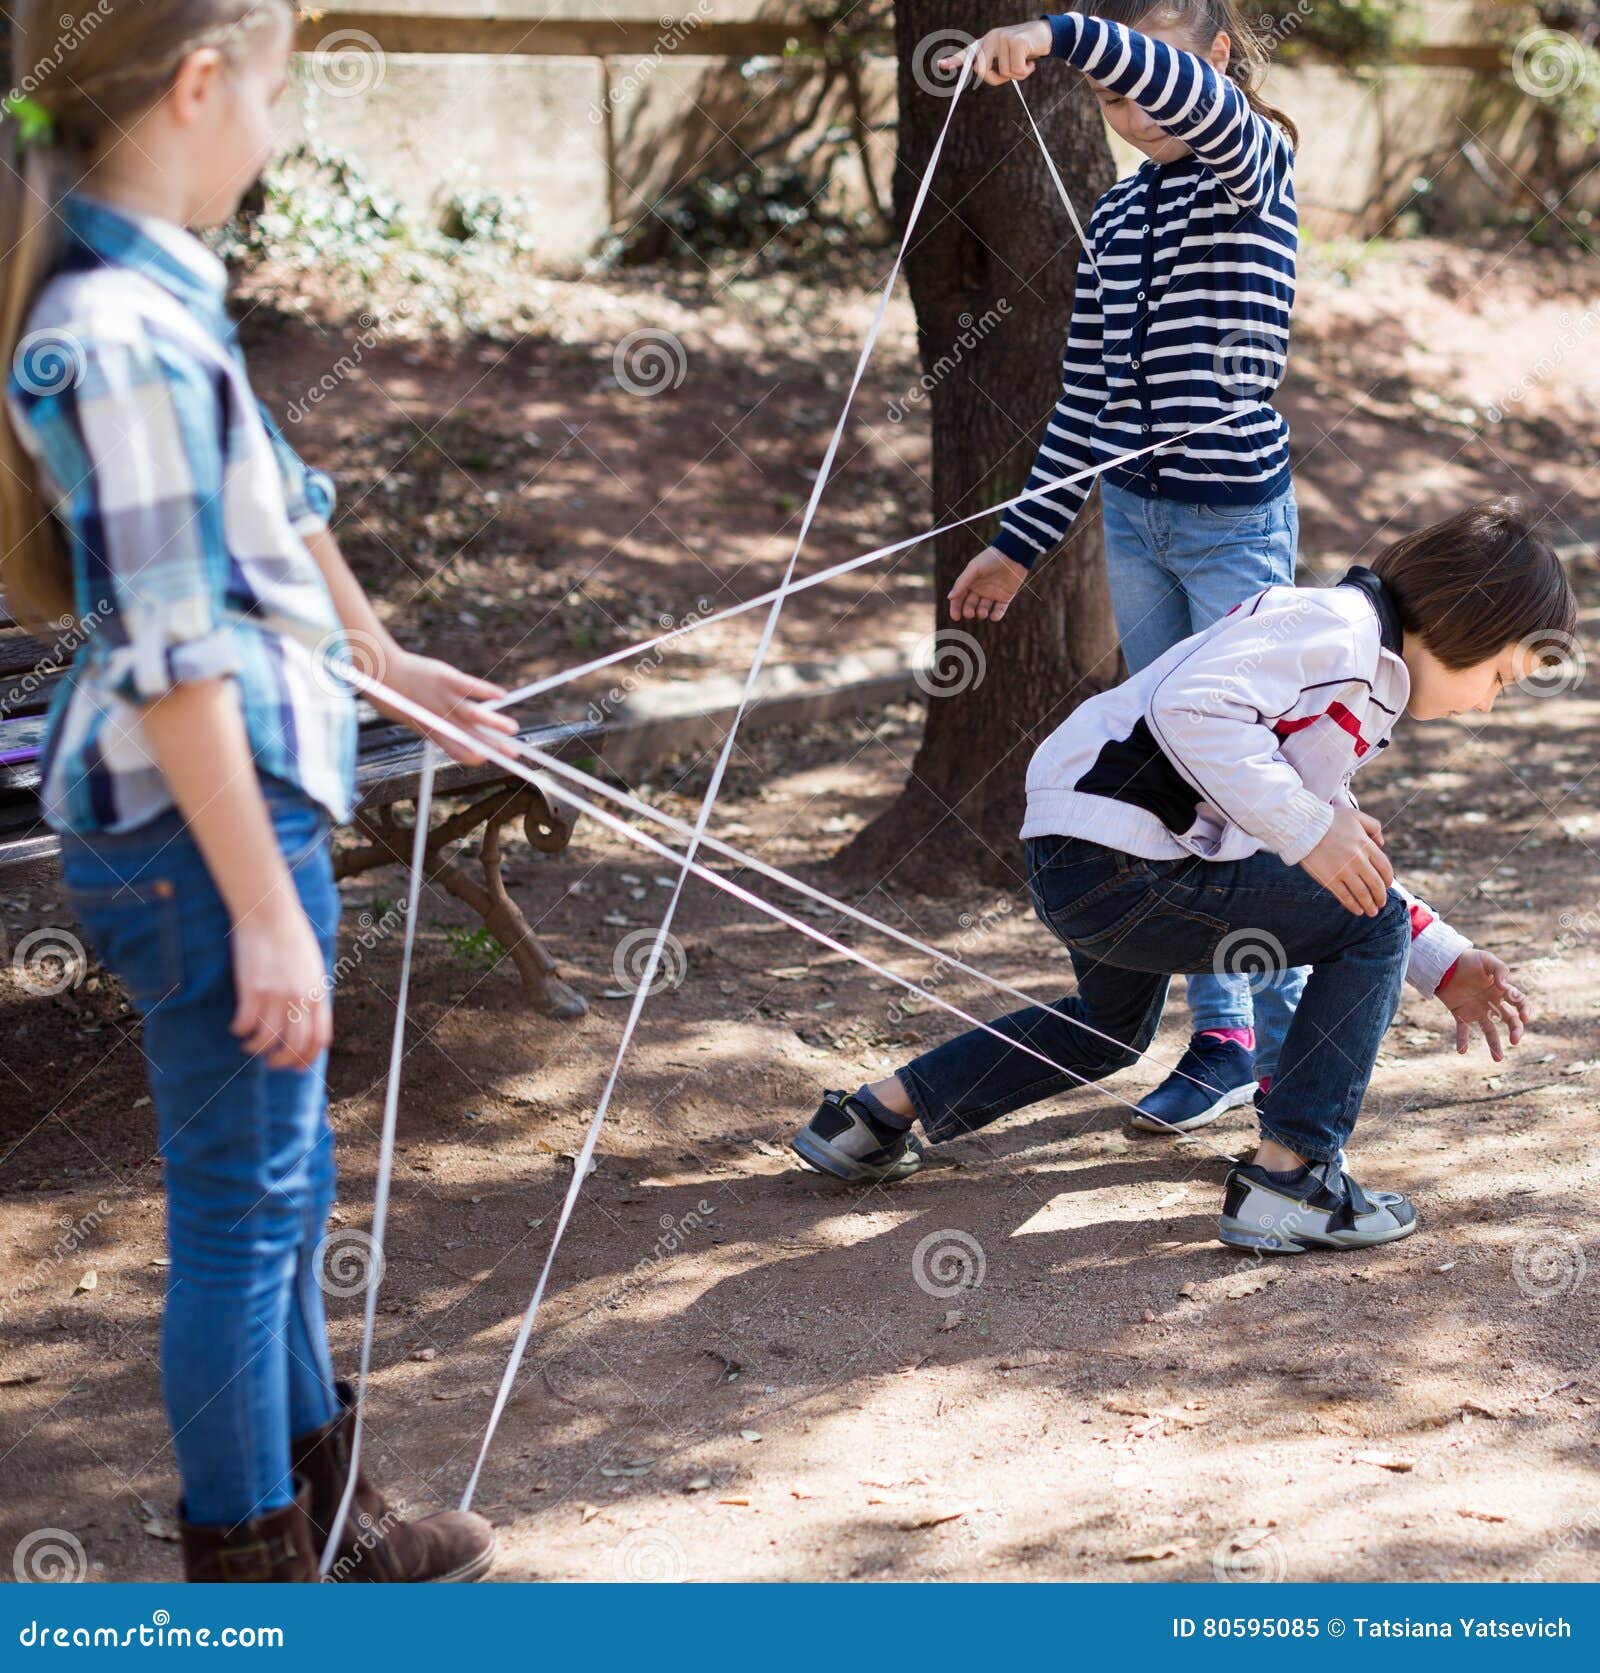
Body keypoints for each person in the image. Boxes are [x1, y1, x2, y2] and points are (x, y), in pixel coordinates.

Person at [2, 0, 514, 1581]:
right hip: (196, 830)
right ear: (200, 83)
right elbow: (173, 648)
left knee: (279, 1203)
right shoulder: (118, 332)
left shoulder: (162, 296)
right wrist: (265, 910)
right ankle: (254, 1575)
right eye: (277, 93)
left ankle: (330, 1523)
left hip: (226, 817)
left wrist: (387, 663)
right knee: (243, 1213)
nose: (279, 134)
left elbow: (277, 514)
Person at [792, 502, 1574, 1253]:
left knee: (1109, 1028)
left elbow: (1337, 865)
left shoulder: (1357, 673)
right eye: (1501, 679)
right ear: (1469, 623)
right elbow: (1194, 708)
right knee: (1362, 931)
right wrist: (1308, 829)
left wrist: (1440, 959)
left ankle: (869, 1118)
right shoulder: (1340, 630)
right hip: (1125, 857)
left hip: (1082, 852)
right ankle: (1290, 1181)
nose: (1487, 705)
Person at [938, 4, 1307, 1134]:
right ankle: (1226, 1035)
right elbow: (1085, 399)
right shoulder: (1124, 206)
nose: (1130, 113)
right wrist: (1019, 541)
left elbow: (1182, 99)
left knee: (1256, 775)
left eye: (1146, 84)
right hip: (1135, 523)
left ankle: (1287, 1048)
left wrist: (1055, 34)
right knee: (1176, 773)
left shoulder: (1254, 165)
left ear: (1214, 60)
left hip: (1233, 529)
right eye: (1109, 103)